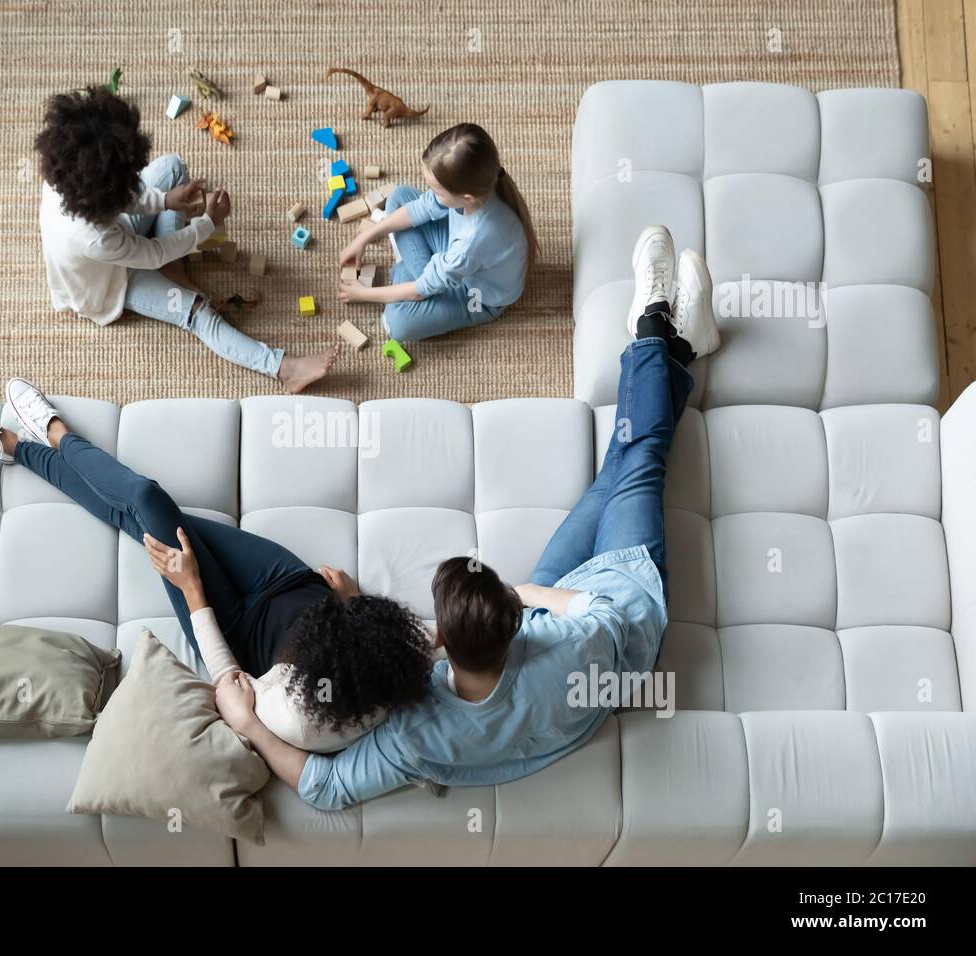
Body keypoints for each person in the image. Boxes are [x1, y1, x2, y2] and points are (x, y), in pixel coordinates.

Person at [220, 225, 719, 808]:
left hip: (538, 624)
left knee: (617, 470)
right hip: (621, 606)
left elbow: (326, 788)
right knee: (636, 461)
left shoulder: (415, 729)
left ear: (439, 641)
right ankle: (654, 325)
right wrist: (531, 593)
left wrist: (248, 722)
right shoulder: (572, 647)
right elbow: (606, 614)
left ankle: (677, 342)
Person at [0, 378, 433, 752]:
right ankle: (35, 443)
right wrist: (352, 602)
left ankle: (39, 439)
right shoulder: (404, 657)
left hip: (230, 625)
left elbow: (230, 686)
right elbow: (430, 634)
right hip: (284, 579)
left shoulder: (302, 718)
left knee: (144, 501)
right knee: (143, 512)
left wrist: (192, 588)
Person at [35, 86, 338, 392]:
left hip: (114, 231)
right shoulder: (95, 238)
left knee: (172, 166)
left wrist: (165, 200)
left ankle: (174, 270)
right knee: (197, 311)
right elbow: (153, 253)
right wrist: (207, 223)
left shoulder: (66, 177)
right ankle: (284, 369)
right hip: (113, 284)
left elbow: (122, 196)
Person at [335, 123, 538, 342]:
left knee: (397, 325)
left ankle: (419, 273)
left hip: (477, 296)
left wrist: (362, 293)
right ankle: (426, 272)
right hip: (459, 252)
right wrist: (364, 237)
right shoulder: (482, 185)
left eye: (437, 192)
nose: (432, 194)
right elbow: (420, 207)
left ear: (466, 197)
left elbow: (419, 291)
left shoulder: (471, 242)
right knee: (400, 196)